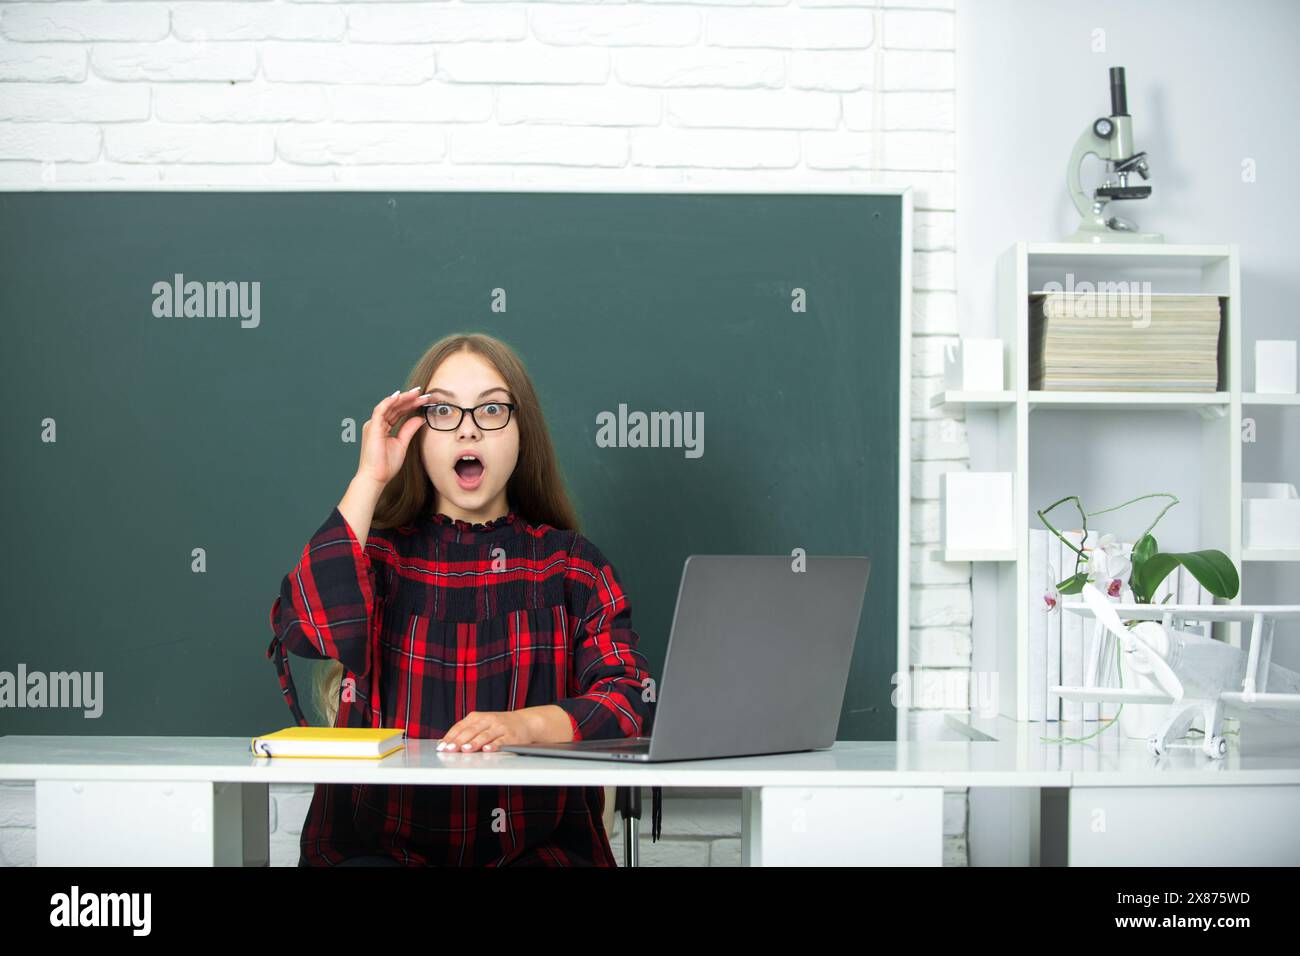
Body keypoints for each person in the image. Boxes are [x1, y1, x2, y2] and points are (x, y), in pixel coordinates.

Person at [266, 332, 657, 866]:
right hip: (379, 849)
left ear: (523, 433)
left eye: (492, 408)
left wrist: (522, 727)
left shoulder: (573, 566)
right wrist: (370, 476)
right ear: (417, 435)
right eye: (444, 411)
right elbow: (309, 628)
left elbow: (631, 701)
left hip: (534, 851)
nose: (468, 426)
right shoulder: (377, 559)